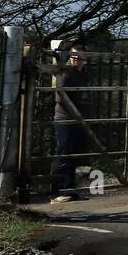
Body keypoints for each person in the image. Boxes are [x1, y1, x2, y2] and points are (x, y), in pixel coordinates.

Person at [48, 39, 92, 203]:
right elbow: (60, 95)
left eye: (81, 58)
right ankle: (59, 191)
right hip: (66, 119)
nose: (78, 60)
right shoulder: (65, 72)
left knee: (77, 156)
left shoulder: (84, 74)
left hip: (81, 119)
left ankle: (73, 189)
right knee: (64, 154)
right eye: (75, 57)